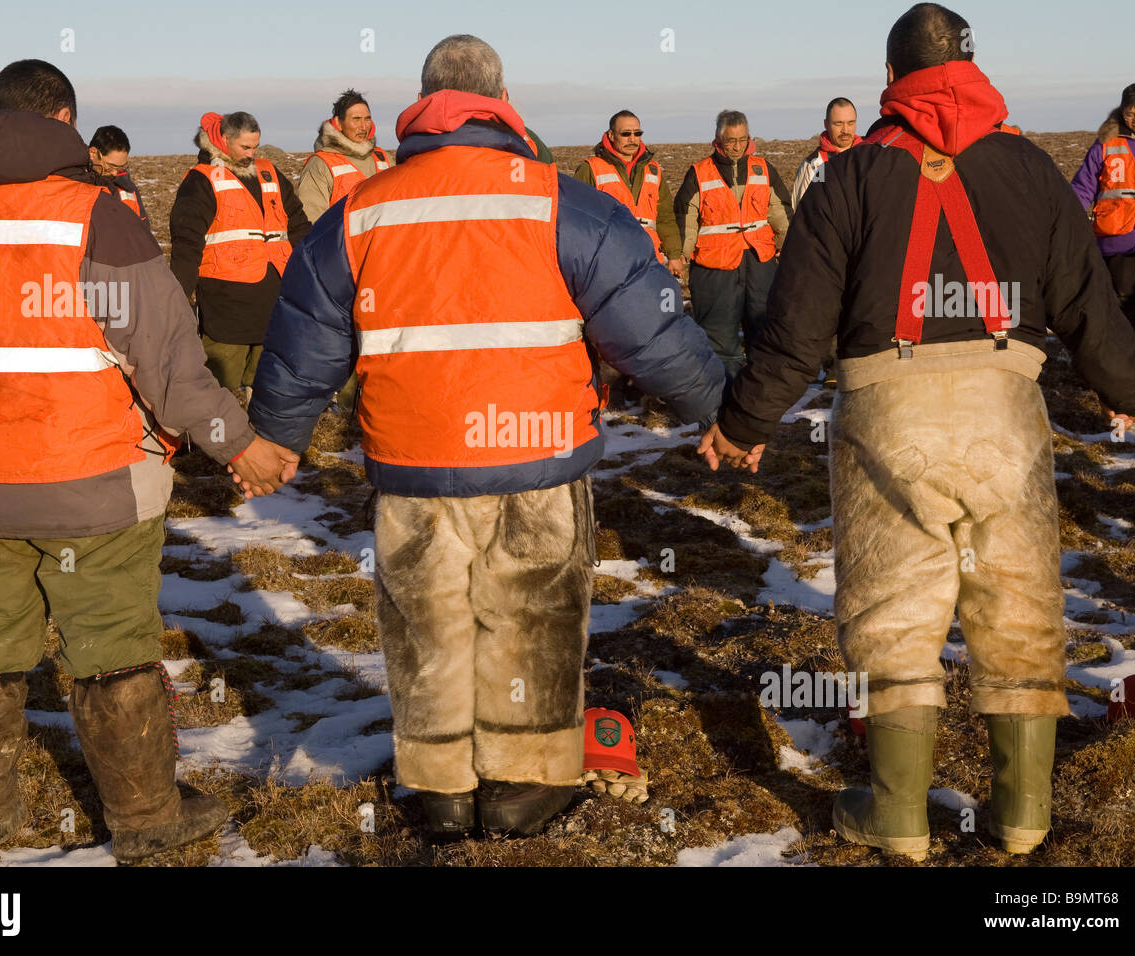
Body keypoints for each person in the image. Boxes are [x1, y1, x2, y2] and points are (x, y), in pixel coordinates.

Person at [699, 3, 1135, 861]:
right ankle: (1023, 816)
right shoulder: (1030, 168)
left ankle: (900, 818)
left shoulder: (847, 177)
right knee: (1018, 607)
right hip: (1006, 412)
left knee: (895, 612)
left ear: (890, 79)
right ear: (974, 71)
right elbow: (1087, 303)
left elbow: (798, 325)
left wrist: (742, 423)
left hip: (888, 415)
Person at [237, 34, 725, 839]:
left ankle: (441, 787)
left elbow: (305, 336)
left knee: (426, 623)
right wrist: (722, 414)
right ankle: (522, 783)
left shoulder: (362, 210)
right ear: (501, 102)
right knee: (532, 613)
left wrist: (276, 439)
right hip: (537, 457)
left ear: (422, 104)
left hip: (413, 463)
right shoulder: (563, 203)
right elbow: (650, 329)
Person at [0, 59, 300, 861]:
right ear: (64, 119)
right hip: (97, 484)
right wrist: (242, 445)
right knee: (110, 647)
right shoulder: (95, 216)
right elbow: (167, 365)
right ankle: (146, 819)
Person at [169, 111, 310, 396]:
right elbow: (187, 244)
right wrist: (176, 299)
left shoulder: (269, 173)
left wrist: (314, 271)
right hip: (226, 310)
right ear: (224, 140)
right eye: (245, 147)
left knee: (266, 387)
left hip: (274, 304)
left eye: (255, 147)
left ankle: (259, 423)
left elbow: (298, 225)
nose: (251, 154)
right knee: (217, 390)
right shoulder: (201, 180)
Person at [675, 110, 791, 373]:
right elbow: (685, 218)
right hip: (715, 268)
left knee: (765, 331)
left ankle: (762, 387)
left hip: (759, 263)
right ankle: (724, 389)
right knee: (719, 337)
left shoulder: (763, 169)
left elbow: (780, 212)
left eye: (742, 139)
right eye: (731, 141)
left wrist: (787, 247)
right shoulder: (699, 173)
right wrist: (680, 256)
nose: (737, 147)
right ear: (718, 140)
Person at [1071, 83, 1135, 326]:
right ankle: (1125, 350)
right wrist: (1068, 221)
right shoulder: (1105, 143)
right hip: (1116, 240)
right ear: (1121, 110)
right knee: (1120, 307)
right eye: (1130, 114)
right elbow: (1083, 187)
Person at [574, 110, 684, 278]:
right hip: (608, 263)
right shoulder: (590, 169)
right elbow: (577, 219)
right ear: (611, 135)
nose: (632, 139)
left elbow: (665, 217)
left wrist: (674, 255)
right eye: (626, 134)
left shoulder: (653, 170)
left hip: (649, 260)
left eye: (637, 133)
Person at [297, 90, 394, 224]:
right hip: (343, 237)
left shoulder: (384, 158)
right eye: (356, 119)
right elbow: (312, 219)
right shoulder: (321, 164)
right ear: (338, 123)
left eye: (367, 119)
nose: (363, 127)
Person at [791, 97, 858, 212]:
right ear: (826, 124)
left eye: (851, 123)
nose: (845, 130)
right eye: (838, 124)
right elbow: (801, 212)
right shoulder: (815, 164)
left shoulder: (870, 158)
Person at [88, 124, 149, 226]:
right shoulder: (75, 183)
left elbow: (143, 229)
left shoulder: (129, 189)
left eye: (121, 167)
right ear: (93, 153)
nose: (115, 173)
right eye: (110, 166)